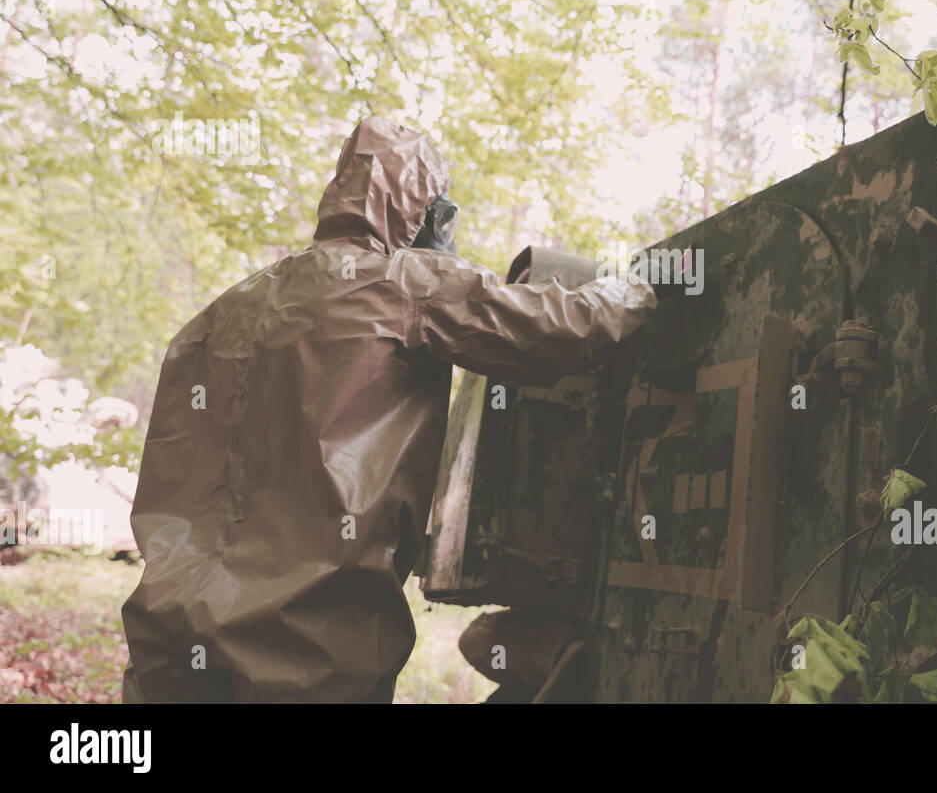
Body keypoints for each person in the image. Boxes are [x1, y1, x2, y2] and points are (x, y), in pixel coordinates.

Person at [121, 115, 657, 702]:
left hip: (168, 629)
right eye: (443, 215)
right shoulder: (403, 284)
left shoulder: (218, 315)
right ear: (423, 210)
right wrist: (631, 288)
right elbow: (561, 330)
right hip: (304, 640)